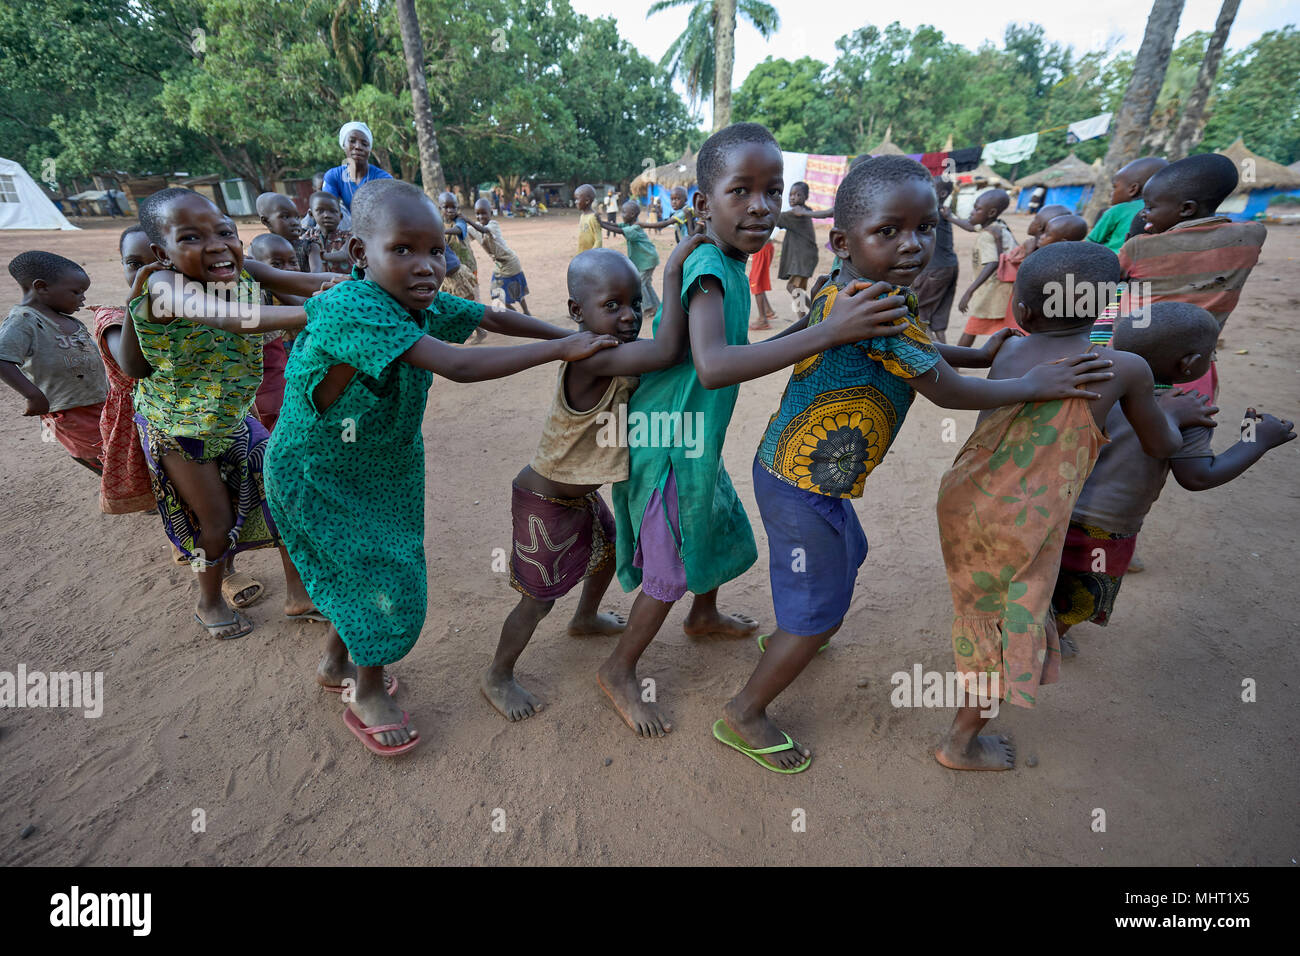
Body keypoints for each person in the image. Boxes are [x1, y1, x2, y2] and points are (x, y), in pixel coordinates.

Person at [718, 157, 1117, 773]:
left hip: (799, 474)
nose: (913, 245)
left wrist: (982, 352)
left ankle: (795, 632)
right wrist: (1034, 381)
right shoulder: (874, 305)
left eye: (926, 228)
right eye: (890, 231)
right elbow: (949, 390)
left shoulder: (858, 291)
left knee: (847, 556)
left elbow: (921, 349)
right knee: (818, 612)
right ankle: (744, 710)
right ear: (844, 241)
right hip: (801, 484)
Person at [263, 179, 617, 755]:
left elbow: (492, 317)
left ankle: (336, 662)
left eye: (435, 249)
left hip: (382, 466)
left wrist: (577, 335)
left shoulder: (412, 300)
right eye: (403, 250)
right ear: (360, 255)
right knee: (382, 578)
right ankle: (368, 690)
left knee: (364, 568)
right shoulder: (355, 307)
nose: (427, 265)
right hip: (321, 473)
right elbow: (459, 366)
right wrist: (561, 351)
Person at [603, 123, 918, 739]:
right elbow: (715, 365)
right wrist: (826, 333)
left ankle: (706, 615)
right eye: (740, 190)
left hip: (696, 435)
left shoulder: (727, 260)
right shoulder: (708, 267)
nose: (761, 205)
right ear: (702, 204)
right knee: (669, 560)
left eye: (771, 191)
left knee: (714, 523)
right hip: (669, 437)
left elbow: (739, 348)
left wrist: (811, 331)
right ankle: (620, 669)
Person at [933, 241, 1214, 771]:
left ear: (1022, 309)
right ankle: (960, 744)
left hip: (966, 497)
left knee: (981, 606)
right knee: (1011, 623)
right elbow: (1162, 446)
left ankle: (975, 669)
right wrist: (1172, 410)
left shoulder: (1010, 348)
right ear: (1108, 307)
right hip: (1028, 521)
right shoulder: (1126, 367)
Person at [484, 237, 707, 721]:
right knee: (537, 600)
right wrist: (671, 273)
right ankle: (498, 674)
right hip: (545, 498)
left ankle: (585, 617)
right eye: (612, 306)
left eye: (634, 304)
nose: (629, 316)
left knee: (606, 554)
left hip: (579, 495)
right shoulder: (594, 357)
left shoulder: (616, 348)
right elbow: (670, 350)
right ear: (576, 311)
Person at [119, 188, 343, 640]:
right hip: (181, 429)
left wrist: (362, 287)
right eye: (192, 237)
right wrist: (321, 312)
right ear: (162, 253)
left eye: (225, 231)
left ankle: (300, 596)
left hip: (235, 418)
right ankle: (209, 599)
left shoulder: (241, 270)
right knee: (215, 525)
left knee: (282, 494)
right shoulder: (164, 285)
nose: (218, 244)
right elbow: (225, 317)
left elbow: (302, 282)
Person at [1052, 304, 1294, 654]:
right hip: (1108, 525)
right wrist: (1255, 441)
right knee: (1084, 591)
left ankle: (1032, 627)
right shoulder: (1185, 409)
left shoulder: (1092, 380)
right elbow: (1197, 476)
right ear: (1187, 364)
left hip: (1054, 507)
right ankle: (1049, 640)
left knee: (1046, 577)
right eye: (1211, 354)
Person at [1117, 152, 1266, 402]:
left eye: (1150, 207)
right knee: (1191, 427)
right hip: (1193, 364)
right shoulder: (1251, 237)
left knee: (1124, 428)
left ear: (1187, 208)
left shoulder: (1140, 247)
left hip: (1134, 358)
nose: (1143, 214)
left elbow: (1113, 278)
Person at [0, 252, 106, 474]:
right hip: (66, 410)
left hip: (95, 401)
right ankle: (123, 489)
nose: (82, 299)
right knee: (98, 451)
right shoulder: (24, 321)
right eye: (76, 292)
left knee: (112, 446)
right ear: (42, 287)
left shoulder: (67, 320)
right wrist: (33, 395)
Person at [91, 226, 158, 513]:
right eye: (135, 264)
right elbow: (132, 368)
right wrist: (135, 305)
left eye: (159, 262)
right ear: (122, 264)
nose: (147, 272)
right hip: (138, 418)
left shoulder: (194, 309)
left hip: (183, 416)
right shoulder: (113, 318)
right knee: (167, 491)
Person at [244, 233, 303, 433]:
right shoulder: (251, 292)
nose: (287, 270)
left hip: (288, 369)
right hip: (270, 376)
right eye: (277, 265)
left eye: (292, 262)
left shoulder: (296, 286)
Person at [955, 189, 1015, 346]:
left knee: (972, 327)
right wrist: (950, 217)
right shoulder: (999, 225)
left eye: (977, 209)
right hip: (1005, 289)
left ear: (991, 212)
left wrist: (969, 292)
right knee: (1004, 330)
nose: (972, 212)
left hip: (992, 290)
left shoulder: (987, 235)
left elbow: (992, 262)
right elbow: (970, 226)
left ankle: (954, 364)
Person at [597, 200, 672, 316]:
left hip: (647, 259)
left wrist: (602, 225)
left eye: (624, 212)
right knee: (646, 284)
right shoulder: (629, 224)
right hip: (647, 259)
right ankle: (657, 306)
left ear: (632, 215)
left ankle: (648, 307)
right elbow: (616, 225)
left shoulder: (635, 227)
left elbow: (620, 231)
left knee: (641, 283)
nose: (621, 215)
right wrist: (601, 222)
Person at [911, 176, 960, 343]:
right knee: (938, 322)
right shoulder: (943, 212)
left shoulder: (929, 213)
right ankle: (952, 363)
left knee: (920, 317)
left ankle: (936, 363)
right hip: (949, 267)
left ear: (942, 193)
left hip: (934, 269)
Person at [776, 181, 834, 319]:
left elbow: (775, 219)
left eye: (797, 194)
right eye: (790, 194)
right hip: (806, 257)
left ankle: (807, 316)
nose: (793, 197)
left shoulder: (796, 214)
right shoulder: (802, 211)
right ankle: (808, 315)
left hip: (803, 258)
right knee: (798, 290)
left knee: (793, 288)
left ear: (805, 197)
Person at [1087, 157, 1168, 253]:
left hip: (1112, 261)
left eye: (1114, 187)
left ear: (1133, 189)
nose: (1111, 193)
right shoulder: (1165, 211)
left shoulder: (1118, 210)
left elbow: (1090, 243)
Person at [466, 197, 531, 314]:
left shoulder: (493, 225)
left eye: (483, 213)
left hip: (510, 262)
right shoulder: (475, 228)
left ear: (491, 213)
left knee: (516, 291)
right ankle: (517, 315)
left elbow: (484, 230)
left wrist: (467, 220)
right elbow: (465, 234)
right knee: (496, 294)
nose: (480, 217)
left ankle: (526, 313)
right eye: (477, 214)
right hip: (499, 264)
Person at [321, 121, 393, 213]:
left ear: (369, 150)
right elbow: (328, 211)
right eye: (352, 141)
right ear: (344, 145)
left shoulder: (383, 179)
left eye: (364, 144)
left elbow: (389, 213)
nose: (358, 147)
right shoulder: (334, 176)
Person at [256, 191, 316, 274]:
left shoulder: (310, 247)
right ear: (266, 221)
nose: (295, 222)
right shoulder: (260, 248)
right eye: (286, 217)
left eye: (297, 217)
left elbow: (316, 276)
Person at [301, 192, 352, 275]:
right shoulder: (308, 237)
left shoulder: (348, 236)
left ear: (340, 216)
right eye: (320, 211)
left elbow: (345, 254)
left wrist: (322, 255)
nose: (326, 215)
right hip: (316, 284)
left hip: (344, 283)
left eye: (333, 211)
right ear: (311, 214)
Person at [747, 240, 777, 330]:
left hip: (762, 248)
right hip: (765, 246)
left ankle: (763, 321)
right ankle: (768, 311)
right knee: (758, 280)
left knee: (756, 282)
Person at [575, 184, 602, 253]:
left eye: (577, 199)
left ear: (587, 201)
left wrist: (591, 255)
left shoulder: (593, 217)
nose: (575, 202)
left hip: (590, 257)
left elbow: (598, 240)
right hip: (582, 253)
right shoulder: (582, 216)